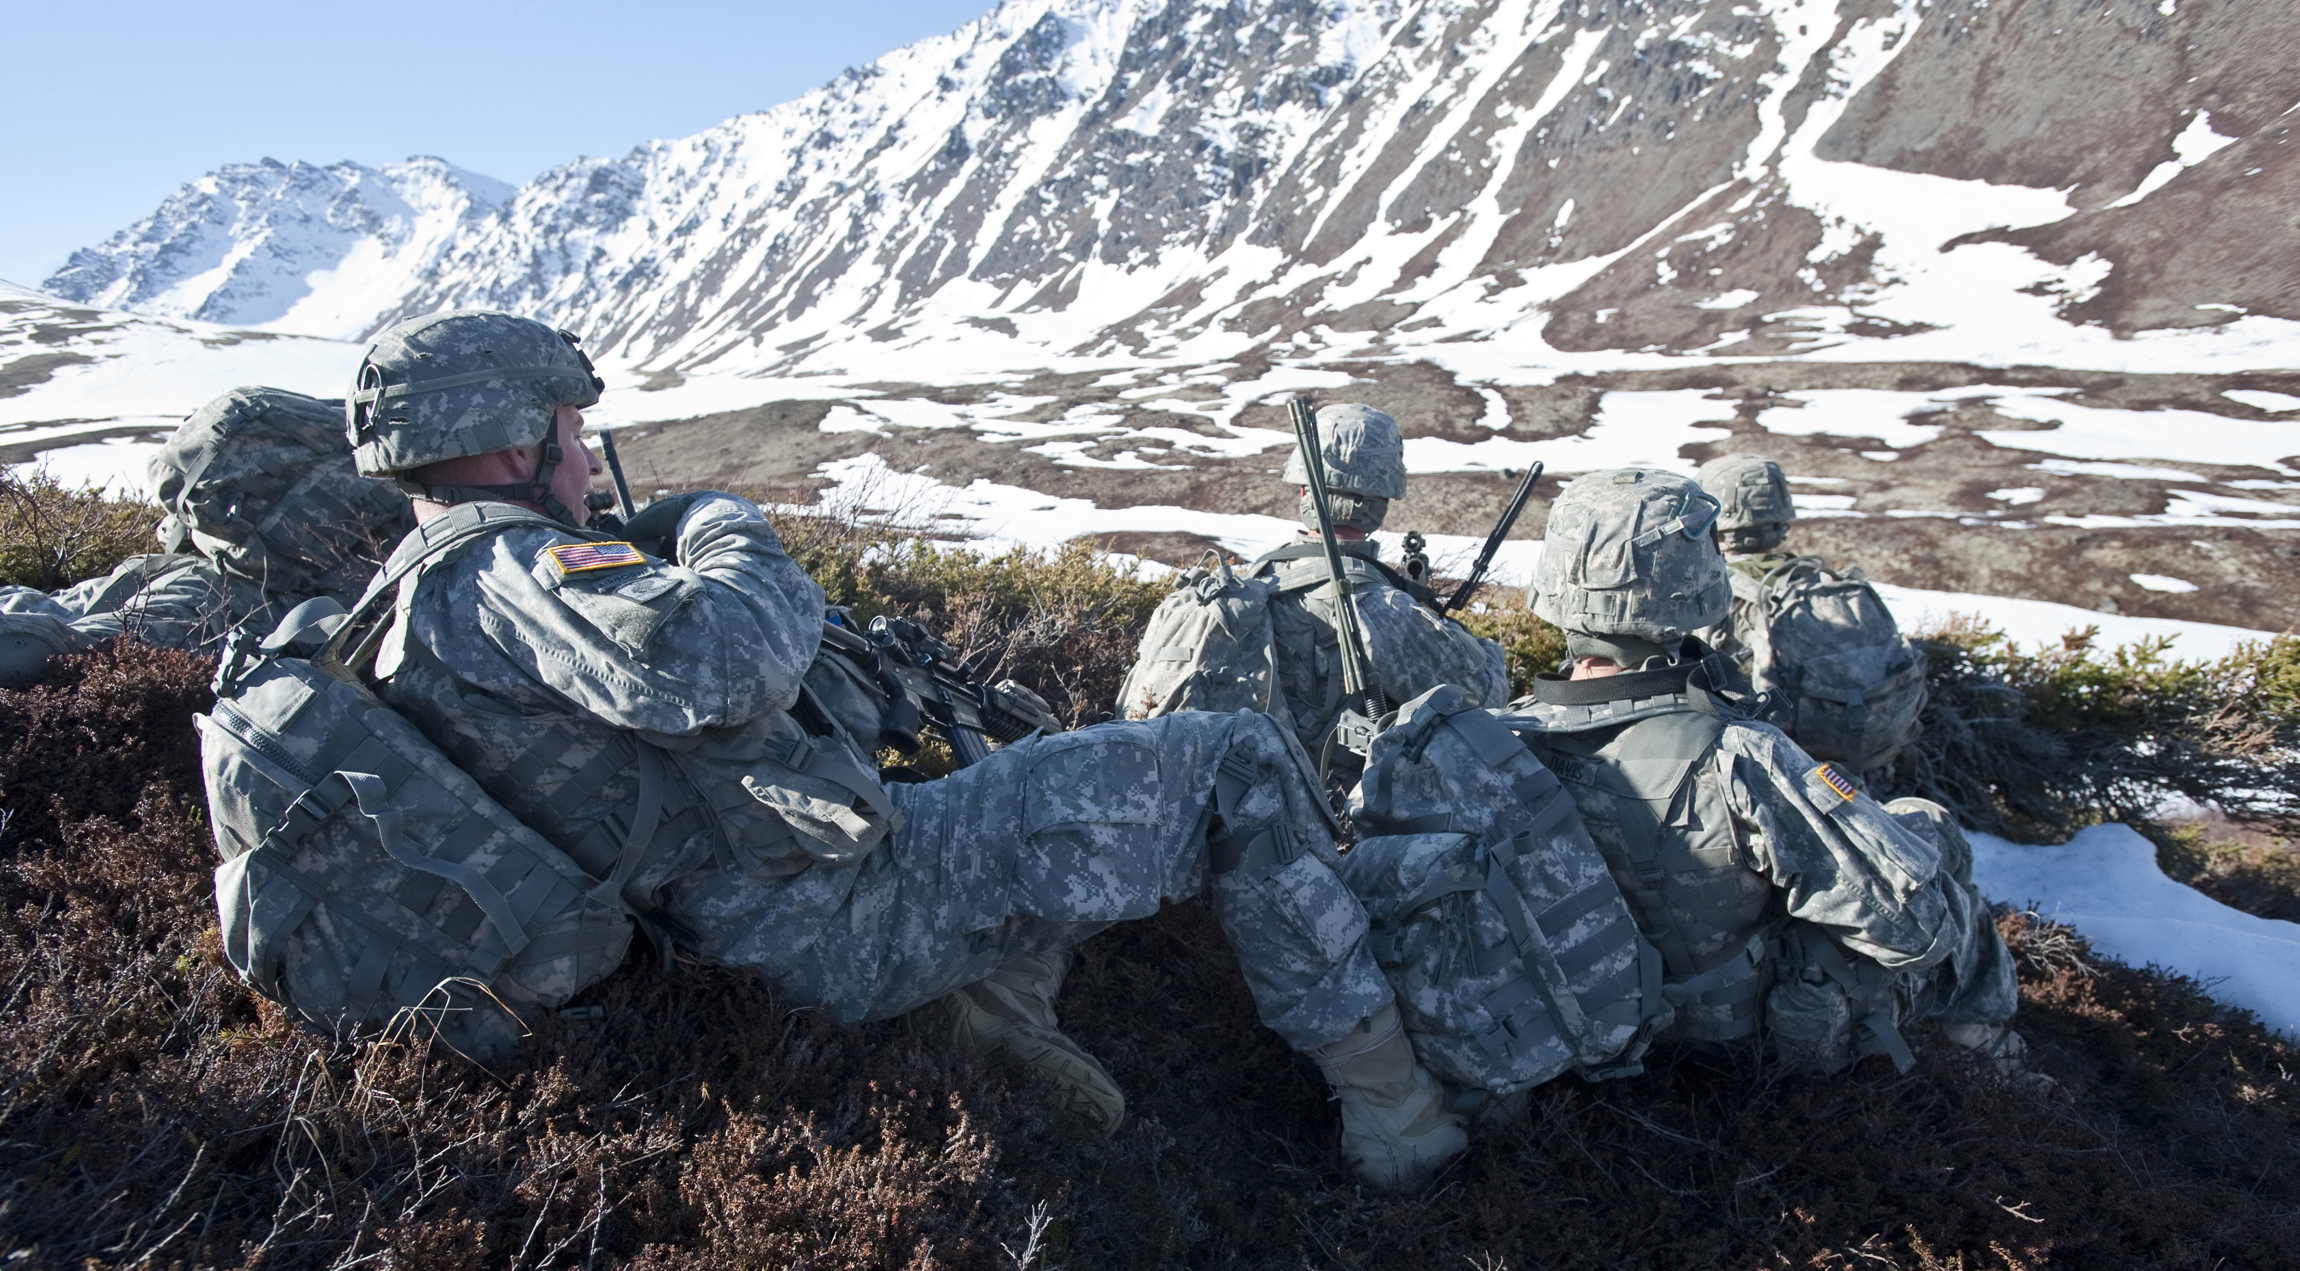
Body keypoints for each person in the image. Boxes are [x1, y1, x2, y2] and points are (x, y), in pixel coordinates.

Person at [334, 310, 1466, 1189]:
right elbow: (731, 659)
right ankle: (1400, 1120)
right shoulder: (510, 575)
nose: (584, 461)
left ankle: (989, 1017)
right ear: (509, 444)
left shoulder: (409, 599)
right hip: (822, 927)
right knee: (1229, 762)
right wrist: (722, 519)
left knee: (1050, 778)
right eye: (571, 434)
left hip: (724, 932)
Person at [1500, 467, 2028, 1079]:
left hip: (1578, 1027)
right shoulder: (1739, 754)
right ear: (1693, 581)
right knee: (1929, 827)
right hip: (1729, 1044)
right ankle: (1987, 1047)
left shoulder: (1505, 735)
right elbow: (1914, 930)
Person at [1116, 403, 1506, 785]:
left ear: (1303, 489)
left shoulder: (1255, 578)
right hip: (1333, 818)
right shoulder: (1378, 606)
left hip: (1235, 800)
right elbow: (1485, 698)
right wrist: (1485, 650)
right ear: (1381, 501)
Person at [0, 388, 414, 683]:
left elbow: (51, 656)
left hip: (234, 590)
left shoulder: (206, 605)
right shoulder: (418, 519)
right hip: (257, 579)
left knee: (73, 620)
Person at [1694, 454, 1926, 788]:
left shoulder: (1716, 594)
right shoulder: (1829, 584)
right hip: (1866, 769)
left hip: (1779, 776)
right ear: (1783, 514)